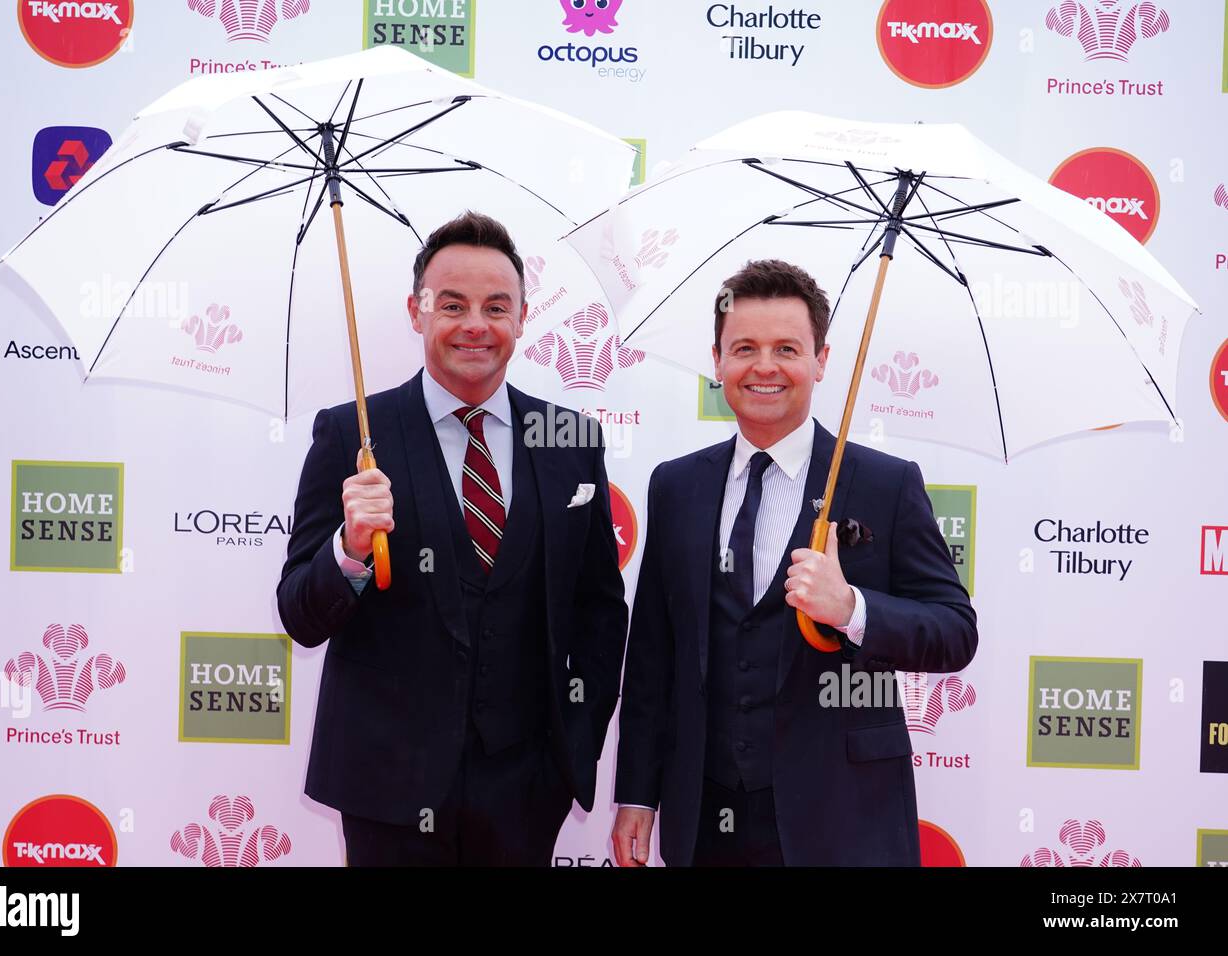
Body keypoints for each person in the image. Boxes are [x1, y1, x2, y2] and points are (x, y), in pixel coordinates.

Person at [278, 211, 628, 866]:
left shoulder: (571, 441)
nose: (476, 324)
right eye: (453, 304)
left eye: (497, 306)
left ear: (523, 318)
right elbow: (300, 614)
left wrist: (573, 746)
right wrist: (350, 551)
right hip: (386, 789)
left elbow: (600, 612)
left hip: (526, 791)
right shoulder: (351, 435)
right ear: (417, 311)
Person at [611, 259, 977, 867]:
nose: (764, 366)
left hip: (843, 820)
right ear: (718, 359)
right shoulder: (675, 486)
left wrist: (852, 609)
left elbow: (955, 632)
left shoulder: (885, 485)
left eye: (787, 348)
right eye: (745, 348)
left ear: (822, 360)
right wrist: (636, 797)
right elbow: (653, 658)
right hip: (704, 821)